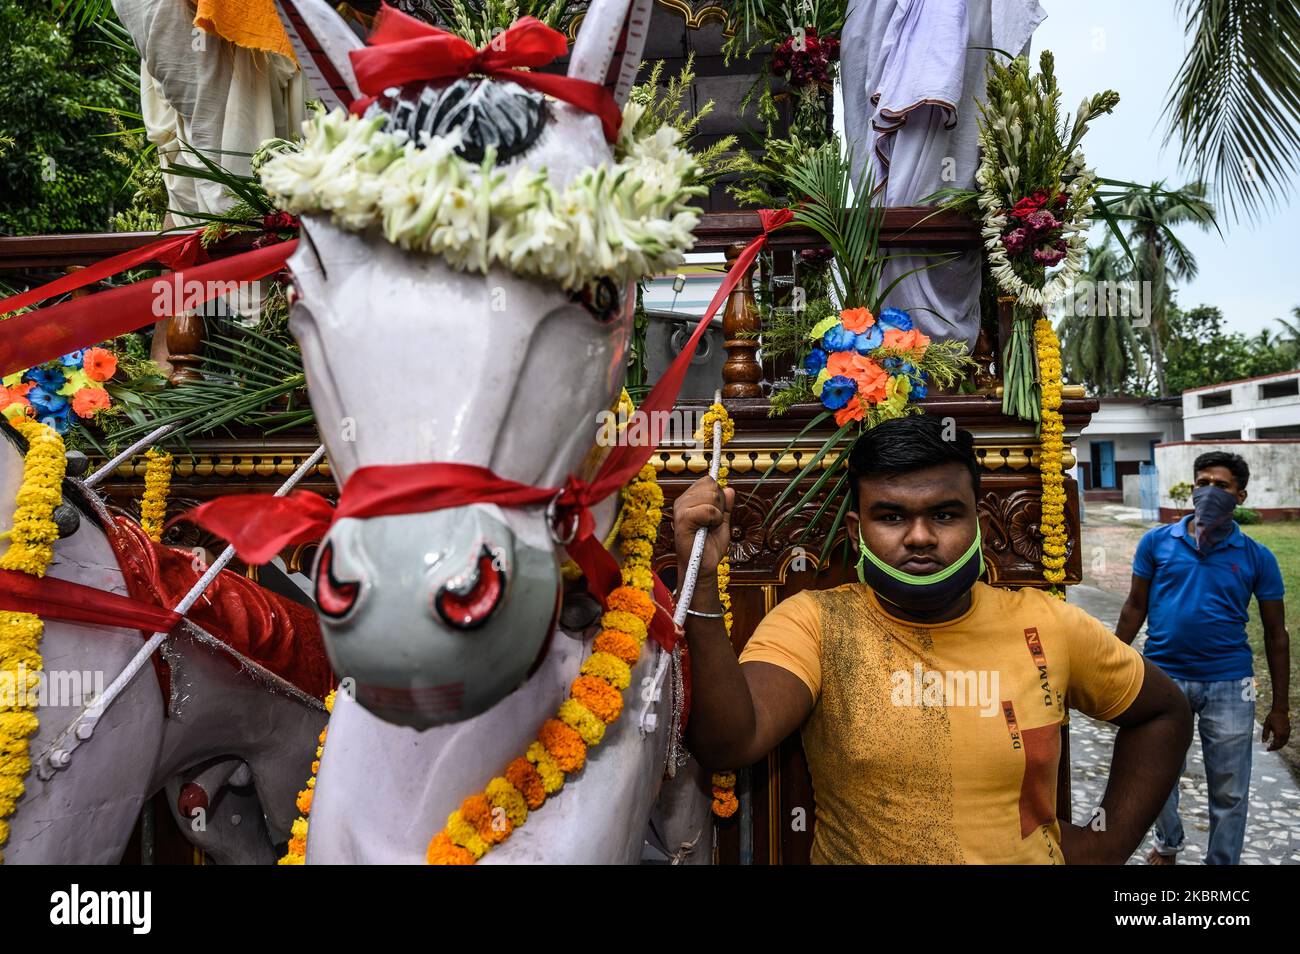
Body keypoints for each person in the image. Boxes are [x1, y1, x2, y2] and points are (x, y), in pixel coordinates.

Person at [675, 414, 1191, 864]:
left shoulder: (1048, 623)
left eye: (944, 515)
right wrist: (698, 579)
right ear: (857, 532)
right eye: (891, 516)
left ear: (980, 524)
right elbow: (728, 743)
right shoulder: (814, 622)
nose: (919, 536)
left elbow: (1164, 712)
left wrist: (1106, 847)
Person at [1115, 451, 1291, 865]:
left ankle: (1222, 861)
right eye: (1203, 482)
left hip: (1230, 684)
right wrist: (1112, 669)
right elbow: (1134, 608)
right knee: (1156, 775)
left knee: (1230, 787)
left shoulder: (1256, 557)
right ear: (1192, 488)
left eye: (1222, 485)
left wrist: (1280, 707)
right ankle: (1168, 843)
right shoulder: (1157, 543)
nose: (1209, 491)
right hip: (1162, 678)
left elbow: (1276, 634)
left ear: (1241, 496)